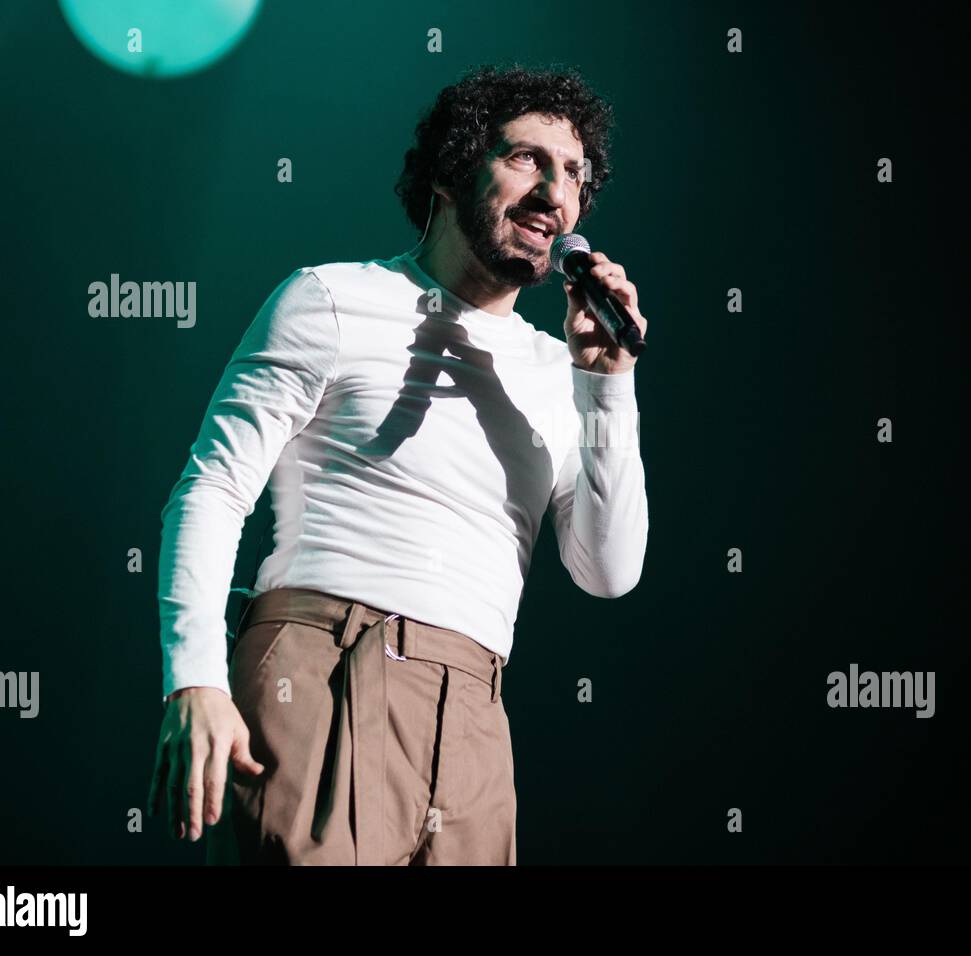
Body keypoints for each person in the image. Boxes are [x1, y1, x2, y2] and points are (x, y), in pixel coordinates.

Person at [146, 64, 649, 865]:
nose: (557, 192)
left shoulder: (560, 373)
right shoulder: (333, 299)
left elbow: (608, 571)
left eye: (576, 175)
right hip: (327, 668)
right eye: (529, 159)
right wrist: (195, 677)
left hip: (478, 714)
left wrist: (605, 386)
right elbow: (211, 488)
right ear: (452, 171)